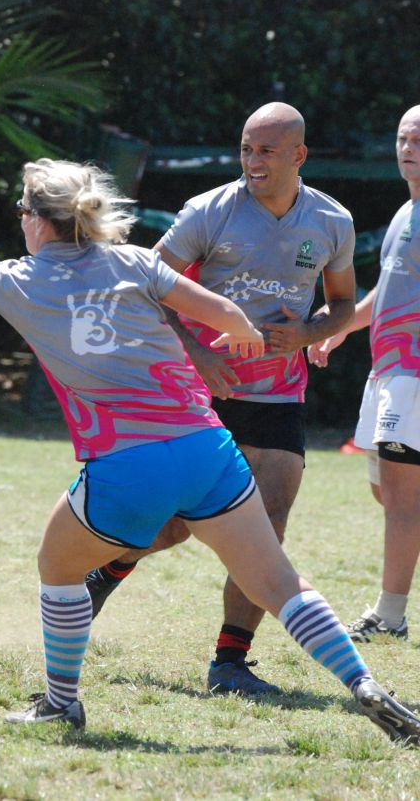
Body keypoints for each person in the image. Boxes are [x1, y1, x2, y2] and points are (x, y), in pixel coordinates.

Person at [0, 157, 419, 742]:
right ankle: (364, 684)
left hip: (127, 463)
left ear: (39, 220)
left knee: (57, 566)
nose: (20, 221)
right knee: (279, 581)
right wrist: (244, 335)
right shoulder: (134, 261)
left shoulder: (16, 280)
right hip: (207, 447)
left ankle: (62, 702)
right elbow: (220, 310)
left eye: (22, 210)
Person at [82, 102, 357, 695]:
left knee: (269, 525)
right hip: (200, 393)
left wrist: (306, 333)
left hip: (278, 396)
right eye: (246, 149)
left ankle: (230, 663)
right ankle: (105, 572)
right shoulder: (208, 211)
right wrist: (199, 357)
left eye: (266, 151)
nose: (252, 161)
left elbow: (342, 305)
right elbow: (144, 287)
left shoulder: (331, 220)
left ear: (298, 155)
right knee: (175, 525)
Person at [308, 105, 420, 643]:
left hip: (413, 377)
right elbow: (389, 290)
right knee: (387, 493)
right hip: (386, 373)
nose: (408, 149)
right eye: (403, 139)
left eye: (419, 140)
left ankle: (389, 617)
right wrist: (343, 327)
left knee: (401, 498)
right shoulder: (405, 212)